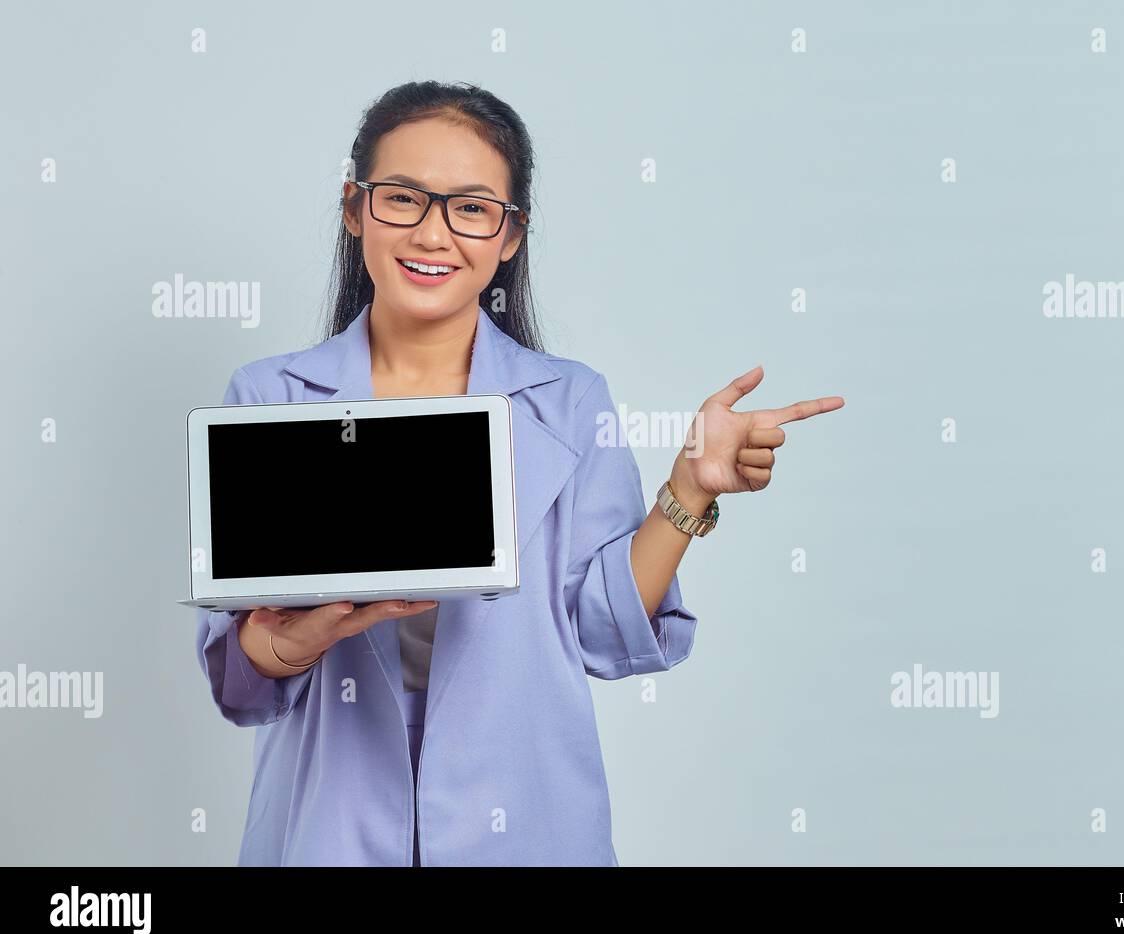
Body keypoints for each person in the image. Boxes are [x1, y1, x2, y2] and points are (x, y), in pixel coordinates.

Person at [195, 80, 845, 866]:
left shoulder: (570, 402)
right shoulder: (270, 398)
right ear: (354, 209)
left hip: (528, 823)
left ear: (510, 236)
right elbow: (239, 682)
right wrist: (295, 641)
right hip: (330, 826)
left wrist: (689, 489)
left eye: (471, 209)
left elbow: (603, 635)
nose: (433, 233)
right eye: (402, 198)